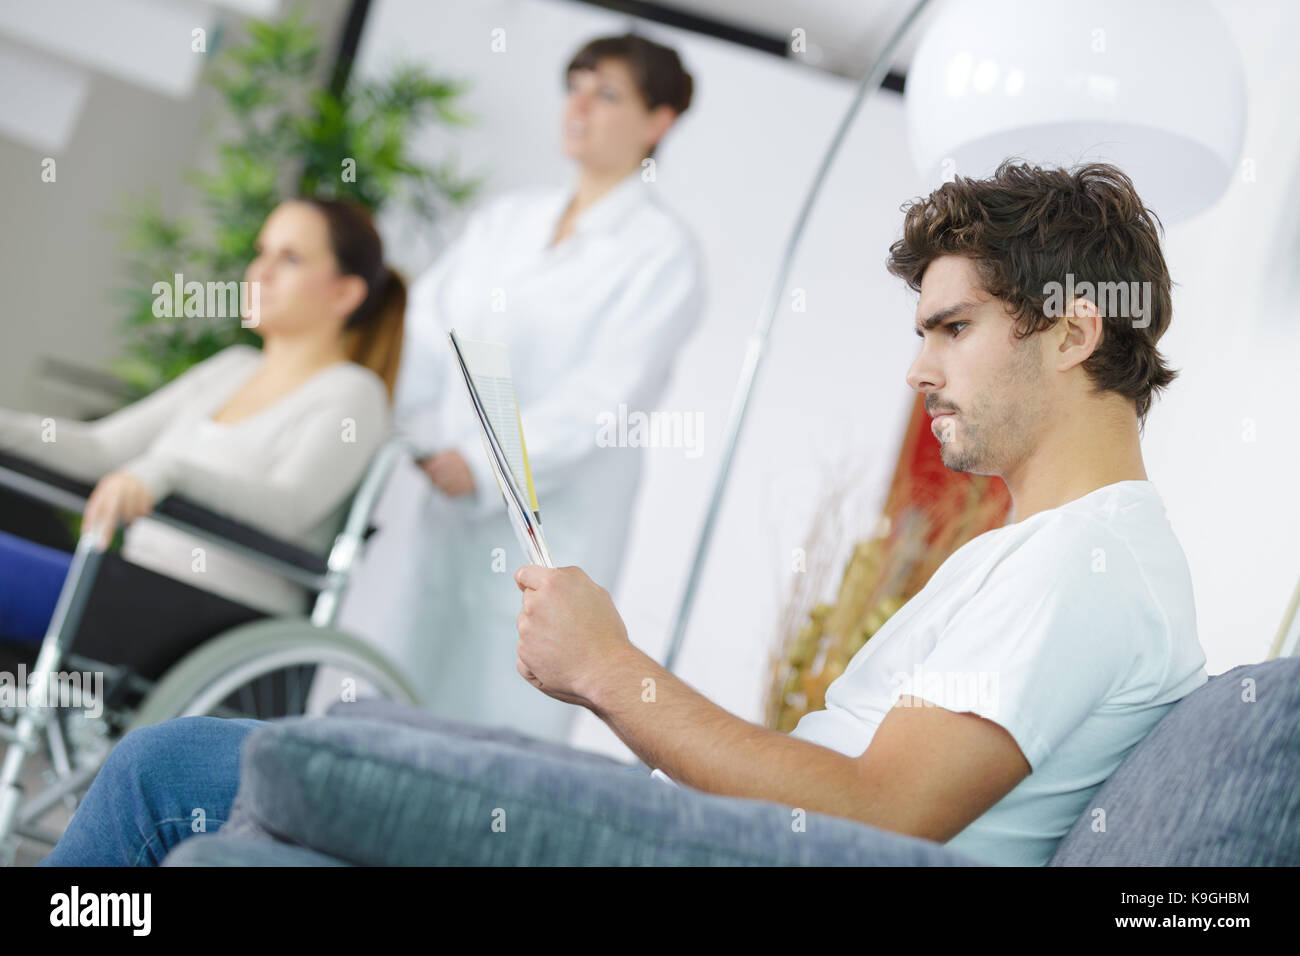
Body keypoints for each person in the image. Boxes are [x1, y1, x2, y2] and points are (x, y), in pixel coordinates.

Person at [37, 159, 1205, 869]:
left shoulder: (1087, 567)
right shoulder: (1038, 552)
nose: (920, 370)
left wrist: (611, 669)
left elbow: (878, 813)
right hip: (689, 837)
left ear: (1071, 330)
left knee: (172, 769)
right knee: (221, 782)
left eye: (952, 328)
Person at [382, 32, 704, 742]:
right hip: (440, 500)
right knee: (394, 699)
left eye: (608, 92)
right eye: (577, 84)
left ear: (659, 122)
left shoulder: (661, 256)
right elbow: (427, 333)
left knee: (493, 733)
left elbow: (601, 402)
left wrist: (478, 461)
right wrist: (429, 439)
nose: (580, 104)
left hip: (550, 529)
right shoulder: (507, 222)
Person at [0, 197, 402, 637]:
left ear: (345, 292)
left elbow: (288, 509)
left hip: (208, 615)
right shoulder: (231, 368)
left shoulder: (354, 394)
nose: (260, 273)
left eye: (290, 258)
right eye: (261, 252)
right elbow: (100, 449)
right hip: (129, 579)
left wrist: (167, 472)